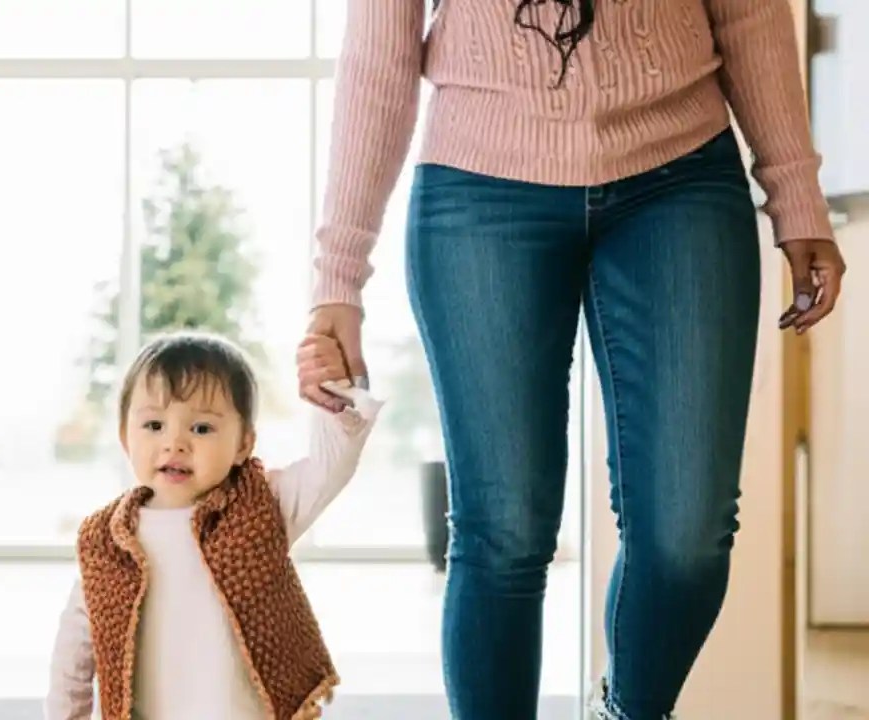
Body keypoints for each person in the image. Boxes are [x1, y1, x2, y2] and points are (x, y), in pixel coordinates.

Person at [298, 1, 849, 718]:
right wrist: (338, 277)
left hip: (679, 176)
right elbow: (379, 55)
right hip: (480, 188)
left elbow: (749, 14)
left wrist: (797, 194)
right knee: (503, 532)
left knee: (688, 535)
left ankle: (624, 710)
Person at [45, 331, 382, 720]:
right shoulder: (107, 541)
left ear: (243, 445)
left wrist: (335, 395)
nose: (175, 443)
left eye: (201, 428)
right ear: (125, 437)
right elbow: (74, 655)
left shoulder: (261, 509)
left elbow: (329, 468)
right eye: (154, 425)